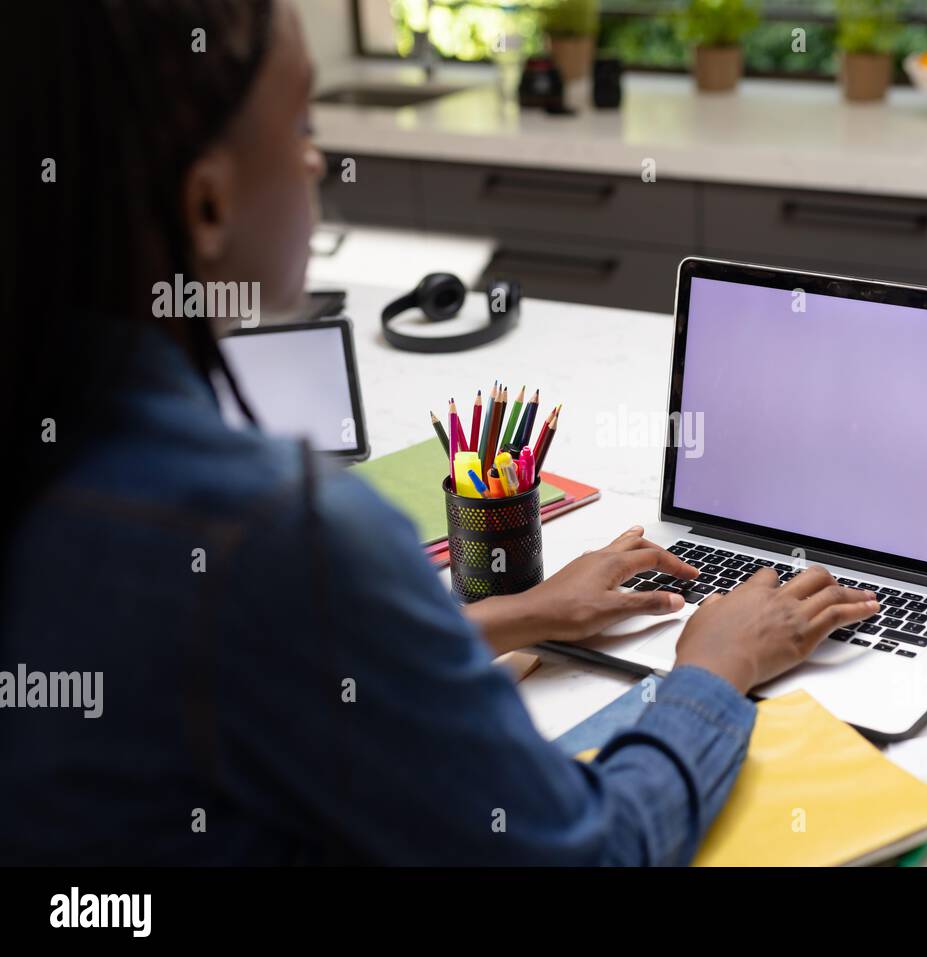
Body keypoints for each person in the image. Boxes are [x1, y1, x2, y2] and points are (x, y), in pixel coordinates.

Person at [1, 0, 879, 865]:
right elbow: (590, 852)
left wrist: (523, 613)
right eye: (301, 125)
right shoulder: (276, 536)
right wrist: (713, 672)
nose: (317, 157)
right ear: (207, 205)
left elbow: (271, 674)